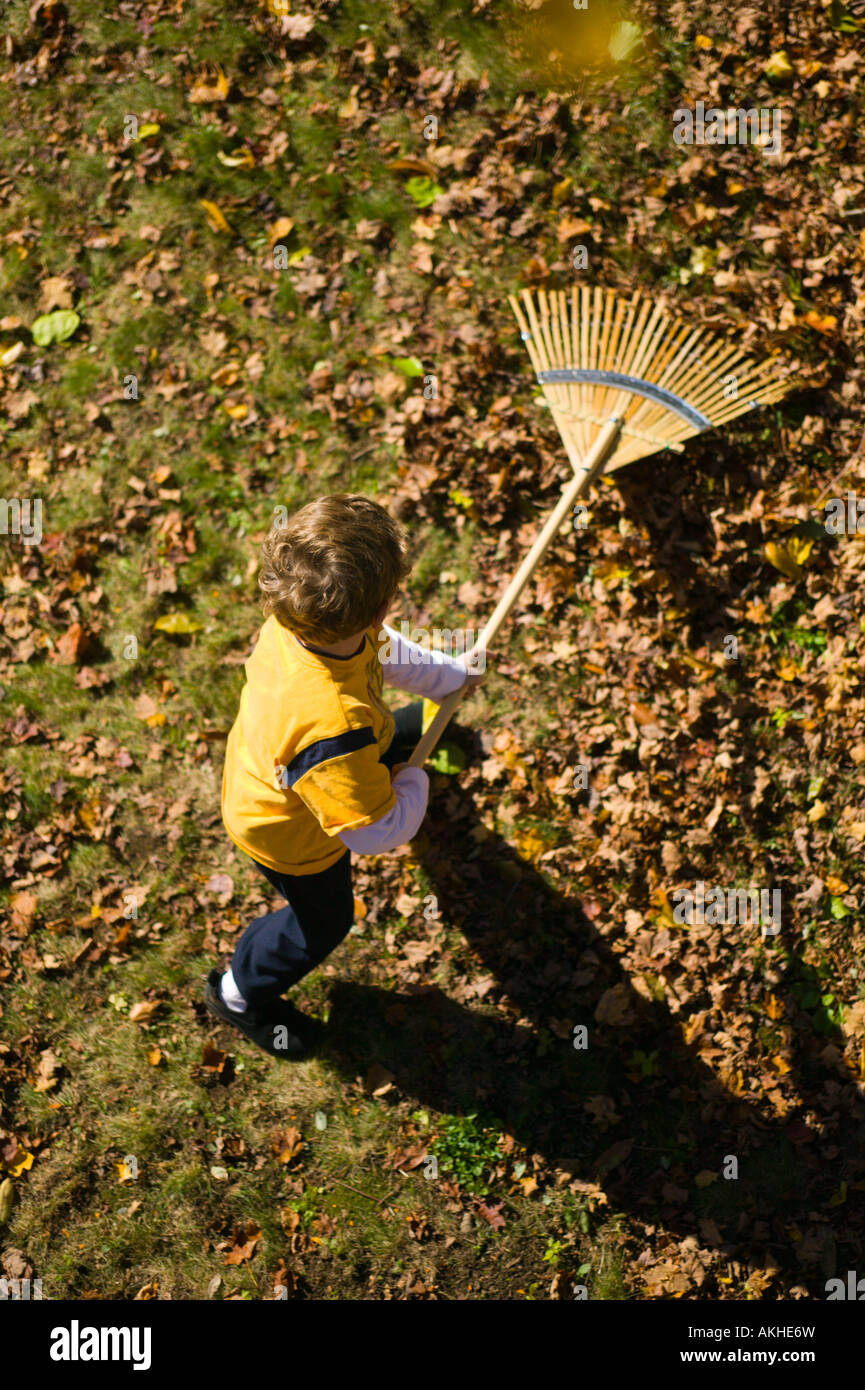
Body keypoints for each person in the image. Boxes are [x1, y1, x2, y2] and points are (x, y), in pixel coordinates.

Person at [204, 493, 481, 1058]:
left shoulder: (298, 620)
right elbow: (373, 832)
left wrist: (446, 678)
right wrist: (410, 780)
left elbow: (381, 651)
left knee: (370, 740)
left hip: (296, 761)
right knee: (323, 921)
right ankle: (238, 994)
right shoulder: (335, 727)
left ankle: (395, 739)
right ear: (380, 608)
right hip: (290, 832)